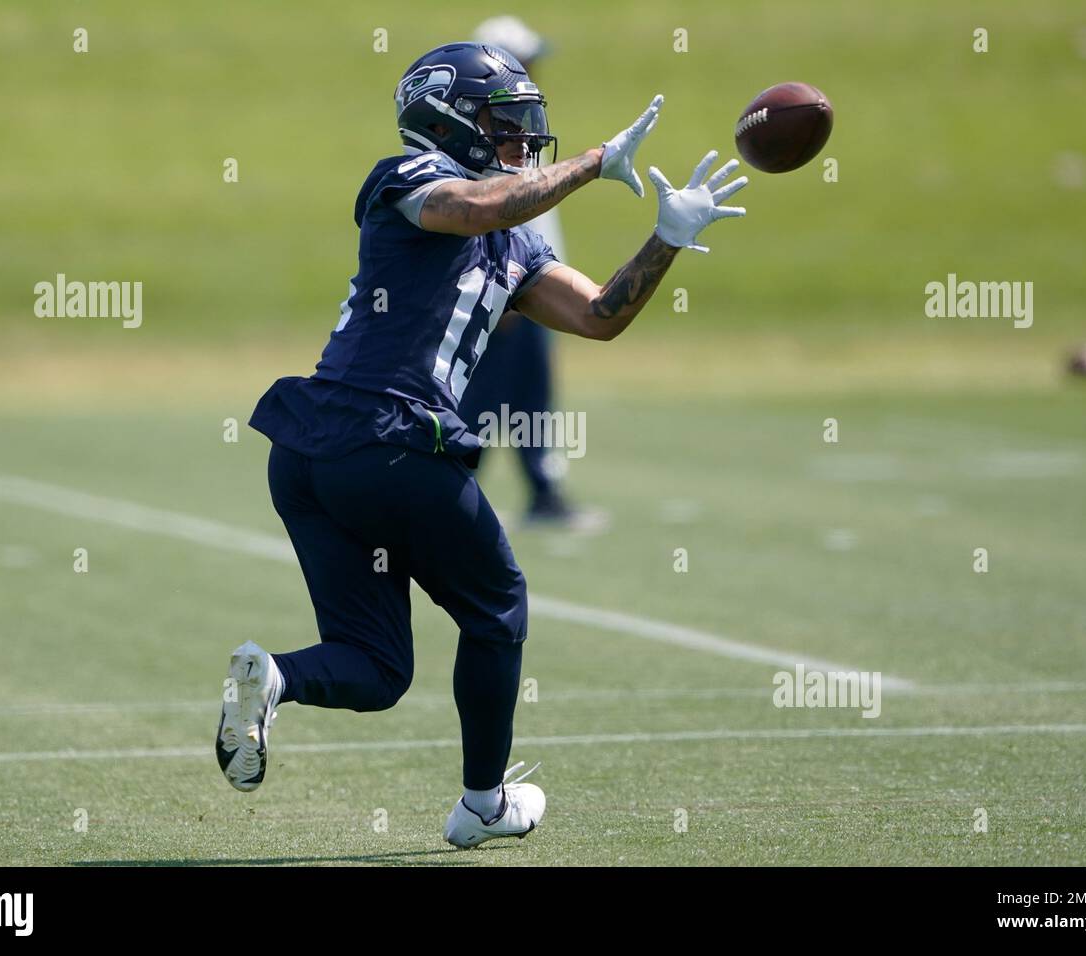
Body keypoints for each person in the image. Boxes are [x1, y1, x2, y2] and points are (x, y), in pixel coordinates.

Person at [216, 41, 746, 848]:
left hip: (314, 456)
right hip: (386, 441)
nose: (523, 144)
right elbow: (476, 209)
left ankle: (274, 676)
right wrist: (598, 162)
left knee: (377, 667)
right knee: (499, 608)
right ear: (447, 119)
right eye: (505, 125)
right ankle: (484, 803)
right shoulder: (408, 179)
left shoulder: (518, 244)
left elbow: (600, 316)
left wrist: (668, 235)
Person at [459, 16, 596, 528]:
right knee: (484, 398)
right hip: (509, 291)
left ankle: (539, 490)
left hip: (530, 283)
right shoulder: (488, 145)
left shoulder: (521, 130)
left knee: (527, 398)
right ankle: (462, 487)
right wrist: (507, 292)